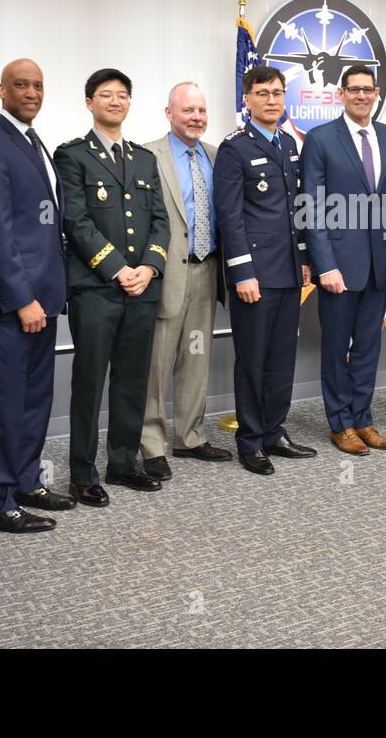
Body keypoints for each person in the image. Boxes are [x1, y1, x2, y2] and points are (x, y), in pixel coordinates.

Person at [0, 59, 73, 535]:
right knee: (3, 404)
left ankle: (26, 482)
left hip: (43, 299)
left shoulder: (32, 140)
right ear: (1, 90)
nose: (31, 92)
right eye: (21, 85)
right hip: (13, 305)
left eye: (38, 86)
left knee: (33, 400)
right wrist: (21, 297)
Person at [54, 68, 170, 504]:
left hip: (142, 289)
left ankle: (123, 463)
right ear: (89, 102)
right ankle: (82, 473)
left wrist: (149, 269)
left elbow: (161, 221)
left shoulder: (144, 159)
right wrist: (119, 269)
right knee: (89, 382)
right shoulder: (72, 156)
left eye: (122, 95)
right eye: (106, 95)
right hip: (97, 289)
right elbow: (76, 222)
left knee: (132, 380)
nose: (115, 102)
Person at [301, 64, 386, 455]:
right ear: (341, 94)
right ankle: (340, 423)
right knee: (335, 347)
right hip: (338, 269)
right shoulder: (320, 139)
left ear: (377, 93)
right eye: (354, 90)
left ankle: (363, 419)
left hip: (381, 265)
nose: (361, 95)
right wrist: (325, 265)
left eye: (368, 89)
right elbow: (311, 208)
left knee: (368, 346)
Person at [214, 66, 316, 475]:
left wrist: (306, 260)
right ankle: (251, 440)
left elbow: (300, 210)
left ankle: (275, 430)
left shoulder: (290, 144)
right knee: (252, 360)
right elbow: (230, 216)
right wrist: (242, 273)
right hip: (255, 274)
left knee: (280, 359)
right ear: (247, 99)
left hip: (289, 271)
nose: (272, 100)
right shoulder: (235, 148)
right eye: (262, 93)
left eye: (277, 93)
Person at [140, 82, 230, 480]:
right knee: (157, 364)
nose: (196, 118)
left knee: (196, 359)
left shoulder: (215, 156)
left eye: (201, 111)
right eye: (187, 110)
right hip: (166, 274)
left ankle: (189, 436)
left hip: (207, 270)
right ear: (169, 113)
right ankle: (152, 444)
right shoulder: (147, 155)